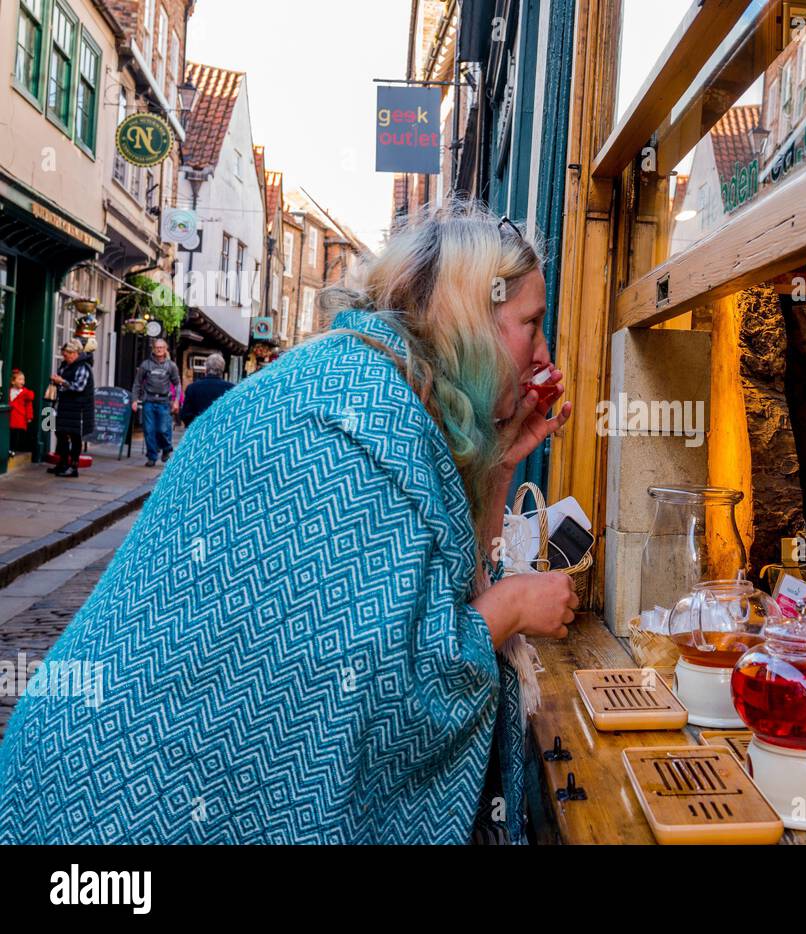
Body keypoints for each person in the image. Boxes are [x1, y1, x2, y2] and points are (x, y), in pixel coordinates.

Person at [0, 200, 575, 844]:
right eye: (532, 322)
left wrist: (497, 468)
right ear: (474, 319)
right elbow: (384, 700)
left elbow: (432, 595)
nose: (544, 352)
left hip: (88, 777)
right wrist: (512, 609)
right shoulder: (367, 429)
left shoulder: (345, 378)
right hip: (124, 813)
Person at [131, 337, 180, 466]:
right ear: (153, 349)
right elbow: (137, 383)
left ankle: (166, 449)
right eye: (157, 347)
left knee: (163, 429)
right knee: (149, 430)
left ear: (165, 350)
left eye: (161, 347)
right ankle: (152, 457)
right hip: (149, 401)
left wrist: (176, 401)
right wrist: (134, 400)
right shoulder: (146, 364)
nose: (159, 350)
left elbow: (177, 384)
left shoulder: (171, 366)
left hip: (164, 402)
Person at [49, 341, 94, 478]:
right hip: (64, 405)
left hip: (78, 407)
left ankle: (73, 467)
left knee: (75, 437)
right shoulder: (65, 365)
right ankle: (62, 463)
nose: (65, 357)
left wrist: (61, 382)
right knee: (60, 434)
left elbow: (79, 387)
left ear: (75, 353)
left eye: (67, 355)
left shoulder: (83, 367)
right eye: (64, 355)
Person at [179, 352, 234, 425]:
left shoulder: (192, 388)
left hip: (198, 430)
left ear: (206, 368)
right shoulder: (231, 388)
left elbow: (185, 415)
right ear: (222, 369)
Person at [8, 368, 35, 458]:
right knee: (8, 433)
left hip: (19, 417)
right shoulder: (9, 391)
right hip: (9, 417)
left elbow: (29, 406)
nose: (22, 381)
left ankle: (12, 449)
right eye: (19, 379)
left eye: (23, 379)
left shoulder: (25, 393)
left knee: (15, 435)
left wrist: (29, 417)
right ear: (13, 381)